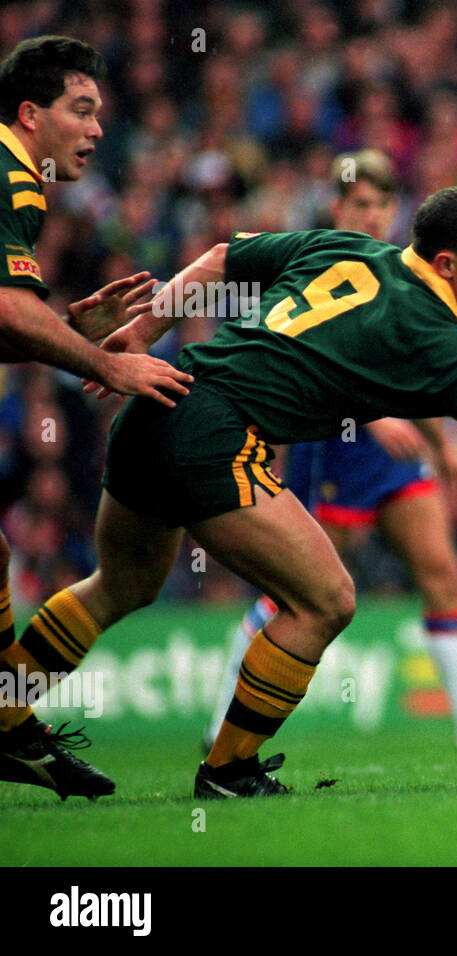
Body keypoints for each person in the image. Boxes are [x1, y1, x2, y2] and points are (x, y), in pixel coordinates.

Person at [0, 185, 457, 800]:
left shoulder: (345, 248)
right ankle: (229, 770)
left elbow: (219, 259)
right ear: (448, 262)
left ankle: (5, 717)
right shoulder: (434, 332)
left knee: (119, 584)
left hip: (154, 400)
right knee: (326, 599)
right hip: (213, 434)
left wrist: (142, 334)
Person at [203, 150, 457, 755]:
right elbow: (311, 357)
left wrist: (440, 444)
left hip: (398, 450)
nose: (373, 214)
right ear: (338, 208)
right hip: (329, 445)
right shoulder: (325, 255)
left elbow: (425, 368)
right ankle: (222, 720)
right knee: (300, 590)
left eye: (383, 204)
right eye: (361, 203)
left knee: (440, 569)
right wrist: (374, 416)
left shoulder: (407, 274)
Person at [0, 35, 194, 800]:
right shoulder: (12, 175)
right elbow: (10, 309)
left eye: (100, 113)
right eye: (80, 111)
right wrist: (108, 362)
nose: (97, 129)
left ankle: (10, 726)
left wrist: (74, 338)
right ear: (29, 114)